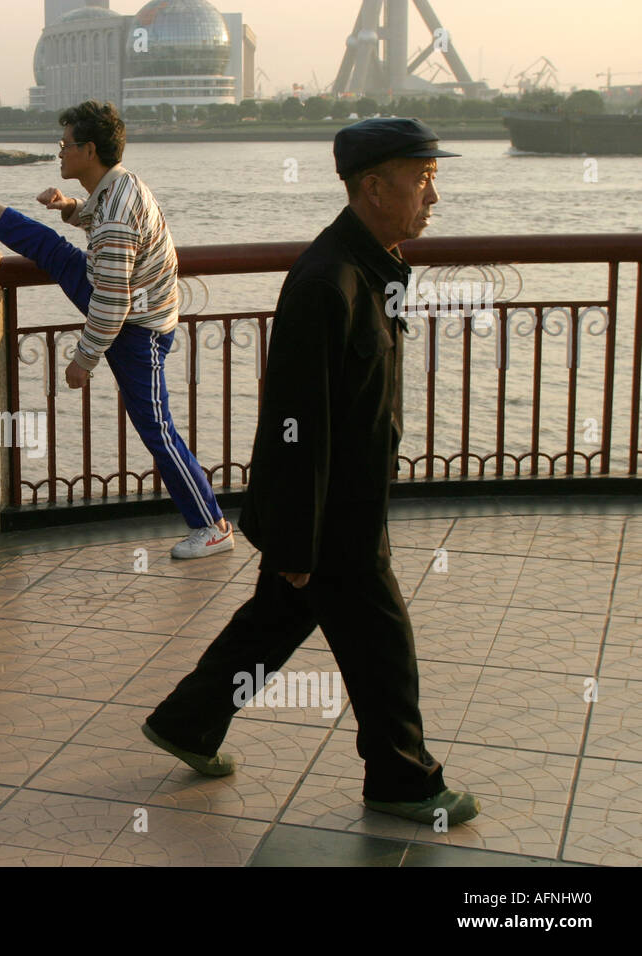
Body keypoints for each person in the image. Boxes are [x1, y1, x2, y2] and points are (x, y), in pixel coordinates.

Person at [140, 118, 482, 826]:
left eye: (433, 180)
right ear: (370, 186)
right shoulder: (330, 280)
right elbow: (295, 425)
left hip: (337, 507)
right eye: (421, 180)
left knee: (274, 621)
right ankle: (402, 780)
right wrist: (297, 544)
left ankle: (188, 721)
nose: (433, 197)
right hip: (334, 518)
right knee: (382, 647)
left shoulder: (371, 267)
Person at [0, 100, 233, 560]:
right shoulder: (118, 186)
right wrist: (69, 206)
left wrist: (81, 362)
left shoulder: (115, 217)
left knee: (158, 430)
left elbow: (112, 303)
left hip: (136, 329)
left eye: (65, 145)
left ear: (89, 150)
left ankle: (212, 525)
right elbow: (95, 220)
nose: (60, 152)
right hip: (134, 314)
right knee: (46, 244)